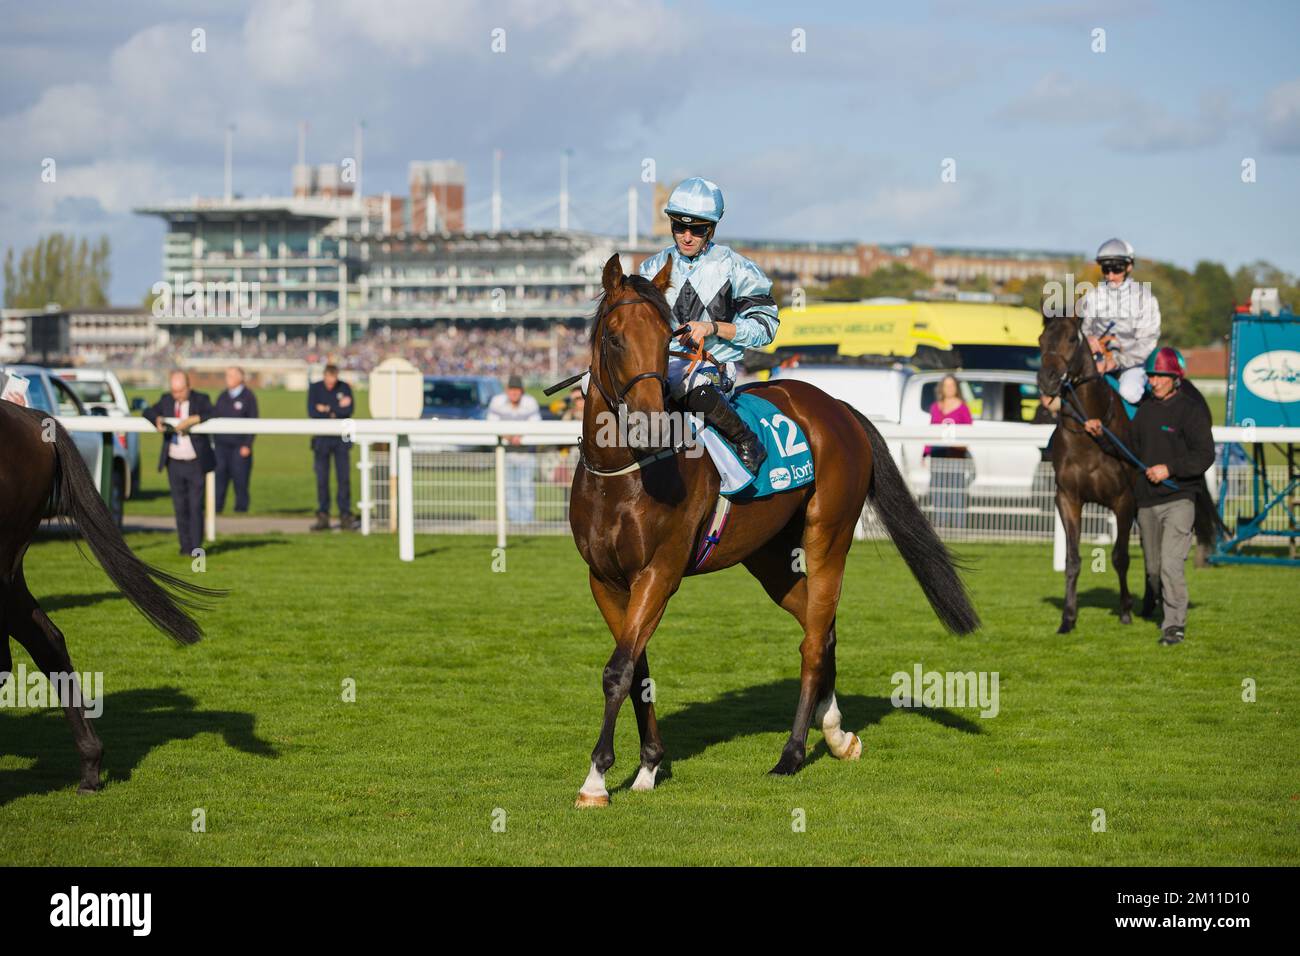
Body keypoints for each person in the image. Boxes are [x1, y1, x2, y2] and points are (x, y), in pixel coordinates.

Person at [637, 177, 779, 474]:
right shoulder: (651, 268)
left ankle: (746, 440)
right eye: (679, 227)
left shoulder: (736, 267)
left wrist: (714, 327)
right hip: (661, 365)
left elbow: (766, 328)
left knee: (680, 381)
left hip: (714, 367)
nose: (687, 237)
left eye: (697, 229)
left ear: (711, 229)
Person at [1125, 347, 1214, 646]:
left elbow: (1205, 455)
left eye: (1160, 376)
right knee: (1153, 570)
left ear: (1176, 378)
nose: (1154, 381)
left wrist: (1170, 469)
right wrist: (1099, 432)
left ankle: (1174, 626)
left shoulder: (1191, 411)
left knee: (1171, 565)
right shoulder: (1145, 410)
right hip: (1147, 502)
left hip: (1180, 499)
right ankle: (1166, 606)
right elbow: (1129, 448)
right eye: (1151, 375)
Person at [1078, 238, 1161, 406]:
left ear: (1129, 267)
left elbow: (1147, 342)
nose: (1110, 275)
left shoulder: (1144, 298)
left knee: (1129, 393)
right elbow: (1082, 329)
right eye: (1106, 269)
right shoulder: (1092, 297)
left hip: (1132, 365)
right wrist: (1087, 338)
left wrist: (1117, 361)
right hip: (1098, 361)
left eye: (1116, 269)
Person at [142, 370, 215, 556]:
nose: (177, 396)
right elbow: (148, 411)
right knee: (179, 506)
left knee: (195, 506)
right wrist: (156, 420)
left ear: (188, 387)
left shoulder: (201, 399)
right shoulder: (166, 400)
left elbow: (213, 411)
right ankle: (184, 548)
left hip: (196, 462)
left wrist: (193, 420)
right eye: (174, 392)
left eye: (181, 391)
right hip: (173, 463)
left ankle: (197, 550)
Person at [308, 364, 357, 531]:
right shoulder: (315, 388)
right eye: (329, 379)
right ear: (324, 376)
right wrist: (336, 409)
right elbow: (312, 412)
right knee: (322, 479)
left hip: (341, 440)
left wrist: (326, 409)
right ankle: (323, 515)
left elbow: (349, 410)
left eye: (334, 379)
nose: (331, 383)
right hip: (321, 440)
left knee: (343, 479)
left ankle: (345, 515)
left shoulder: (344, 387)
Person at [487, 374, 541, 524]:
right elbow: (491, 424)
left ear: (522, 391)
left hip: (526, 452)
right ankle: (514, 520)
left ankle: (527, 520)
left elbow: (535, 425)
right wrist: (510, 437)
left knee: (526, 486)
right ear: (506, 390)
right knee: (510, 487)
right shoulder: (497, 402)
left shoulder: (530, 402)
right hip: (505, 451)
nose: (514, 393)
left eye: (517, 390)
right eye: (511, 390)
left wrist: (520, 437)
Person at [923, 374, 973, 529]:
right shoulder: (935, 407)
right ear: (942, 388)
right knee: (938, 491)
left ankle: (958, 526)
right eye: (946, 385)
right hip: (938, 455)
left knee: (956, 491)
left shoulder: (963, 408)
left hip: (955, 457)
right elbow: (932, 431)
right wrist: (925, 453)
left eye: (952, 385)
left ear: (956, 388)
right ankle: (941, 525)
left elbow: (969, 432)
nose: (949, 389)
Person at [213, 366, 259, 513]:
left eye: (231, 376)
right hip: (221, 446)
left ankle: (241, 510)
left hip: (240, 446)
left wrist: (247, 444)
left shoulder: (249, 397)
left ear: (240, 378)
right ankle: (216, 508)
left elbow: (254, 421)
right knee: (219, 478)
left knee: (240, 479)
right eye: (227, 375)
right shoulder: (222, 396)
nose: (228, 379)